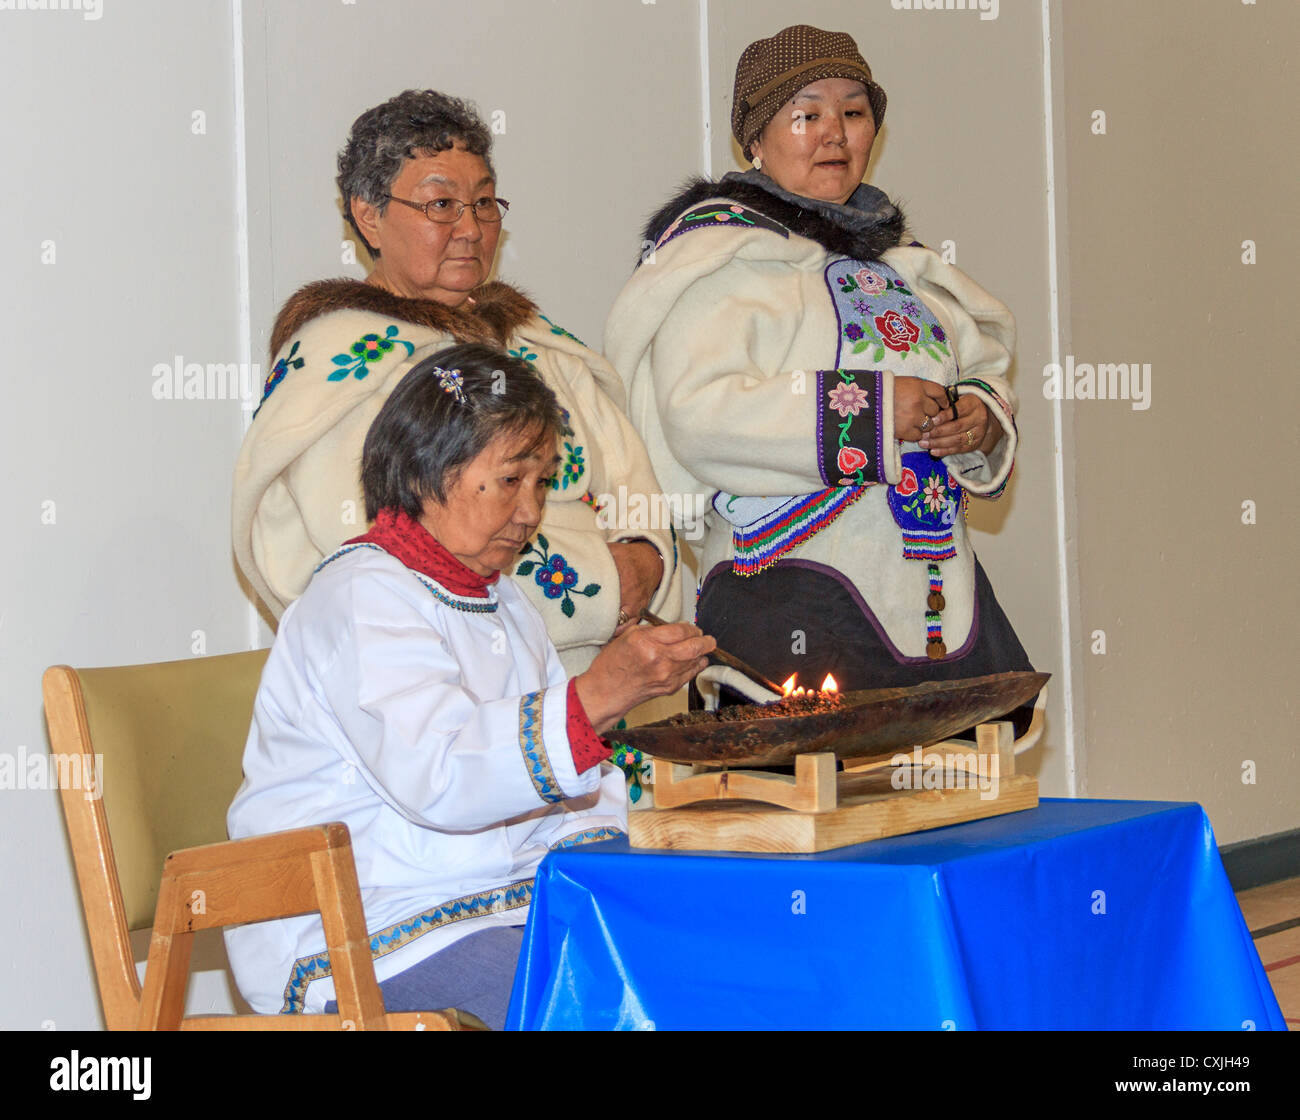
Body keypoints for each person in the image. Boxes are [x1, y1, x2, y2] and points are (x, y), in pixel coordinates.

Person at [224, 345, 714, 1028]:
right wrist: (597, 696)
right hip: (367, 927)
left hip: (493, 904)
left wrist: (650, 840)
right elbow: (440, 776)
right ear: (430, 471)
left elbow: (564, 792)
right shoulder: (360, 596)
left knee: (694, 964)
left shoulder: (503, 601)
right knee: (590, 1010)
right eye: (510, 480)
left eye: (542, 483)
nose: (530, 511)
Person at [604, 24, 1035, 728]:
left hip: (935, 582)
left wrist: (979, 417)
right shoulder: (721, 257)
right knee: (812, 793)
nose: (834, 133)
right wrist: (871, 412)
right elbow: (699, 413)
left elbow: (982, 366)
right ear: (755, 139)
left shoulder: (902, 263)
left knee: (951, 803)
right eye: (806, 114)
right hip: (790, 592)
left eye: (854, 113)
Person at [233, 89, 678, 680]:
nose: (470, 228)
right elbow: (388, 546)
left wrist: (646, 559)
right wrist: (603, 584)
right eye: (441, 204)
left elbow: (631, 479)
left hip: (611, 678)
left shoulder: (535, 342)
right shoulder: (339, 360)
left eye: (485, 203)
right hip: (444, 694)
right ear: (368, 215)